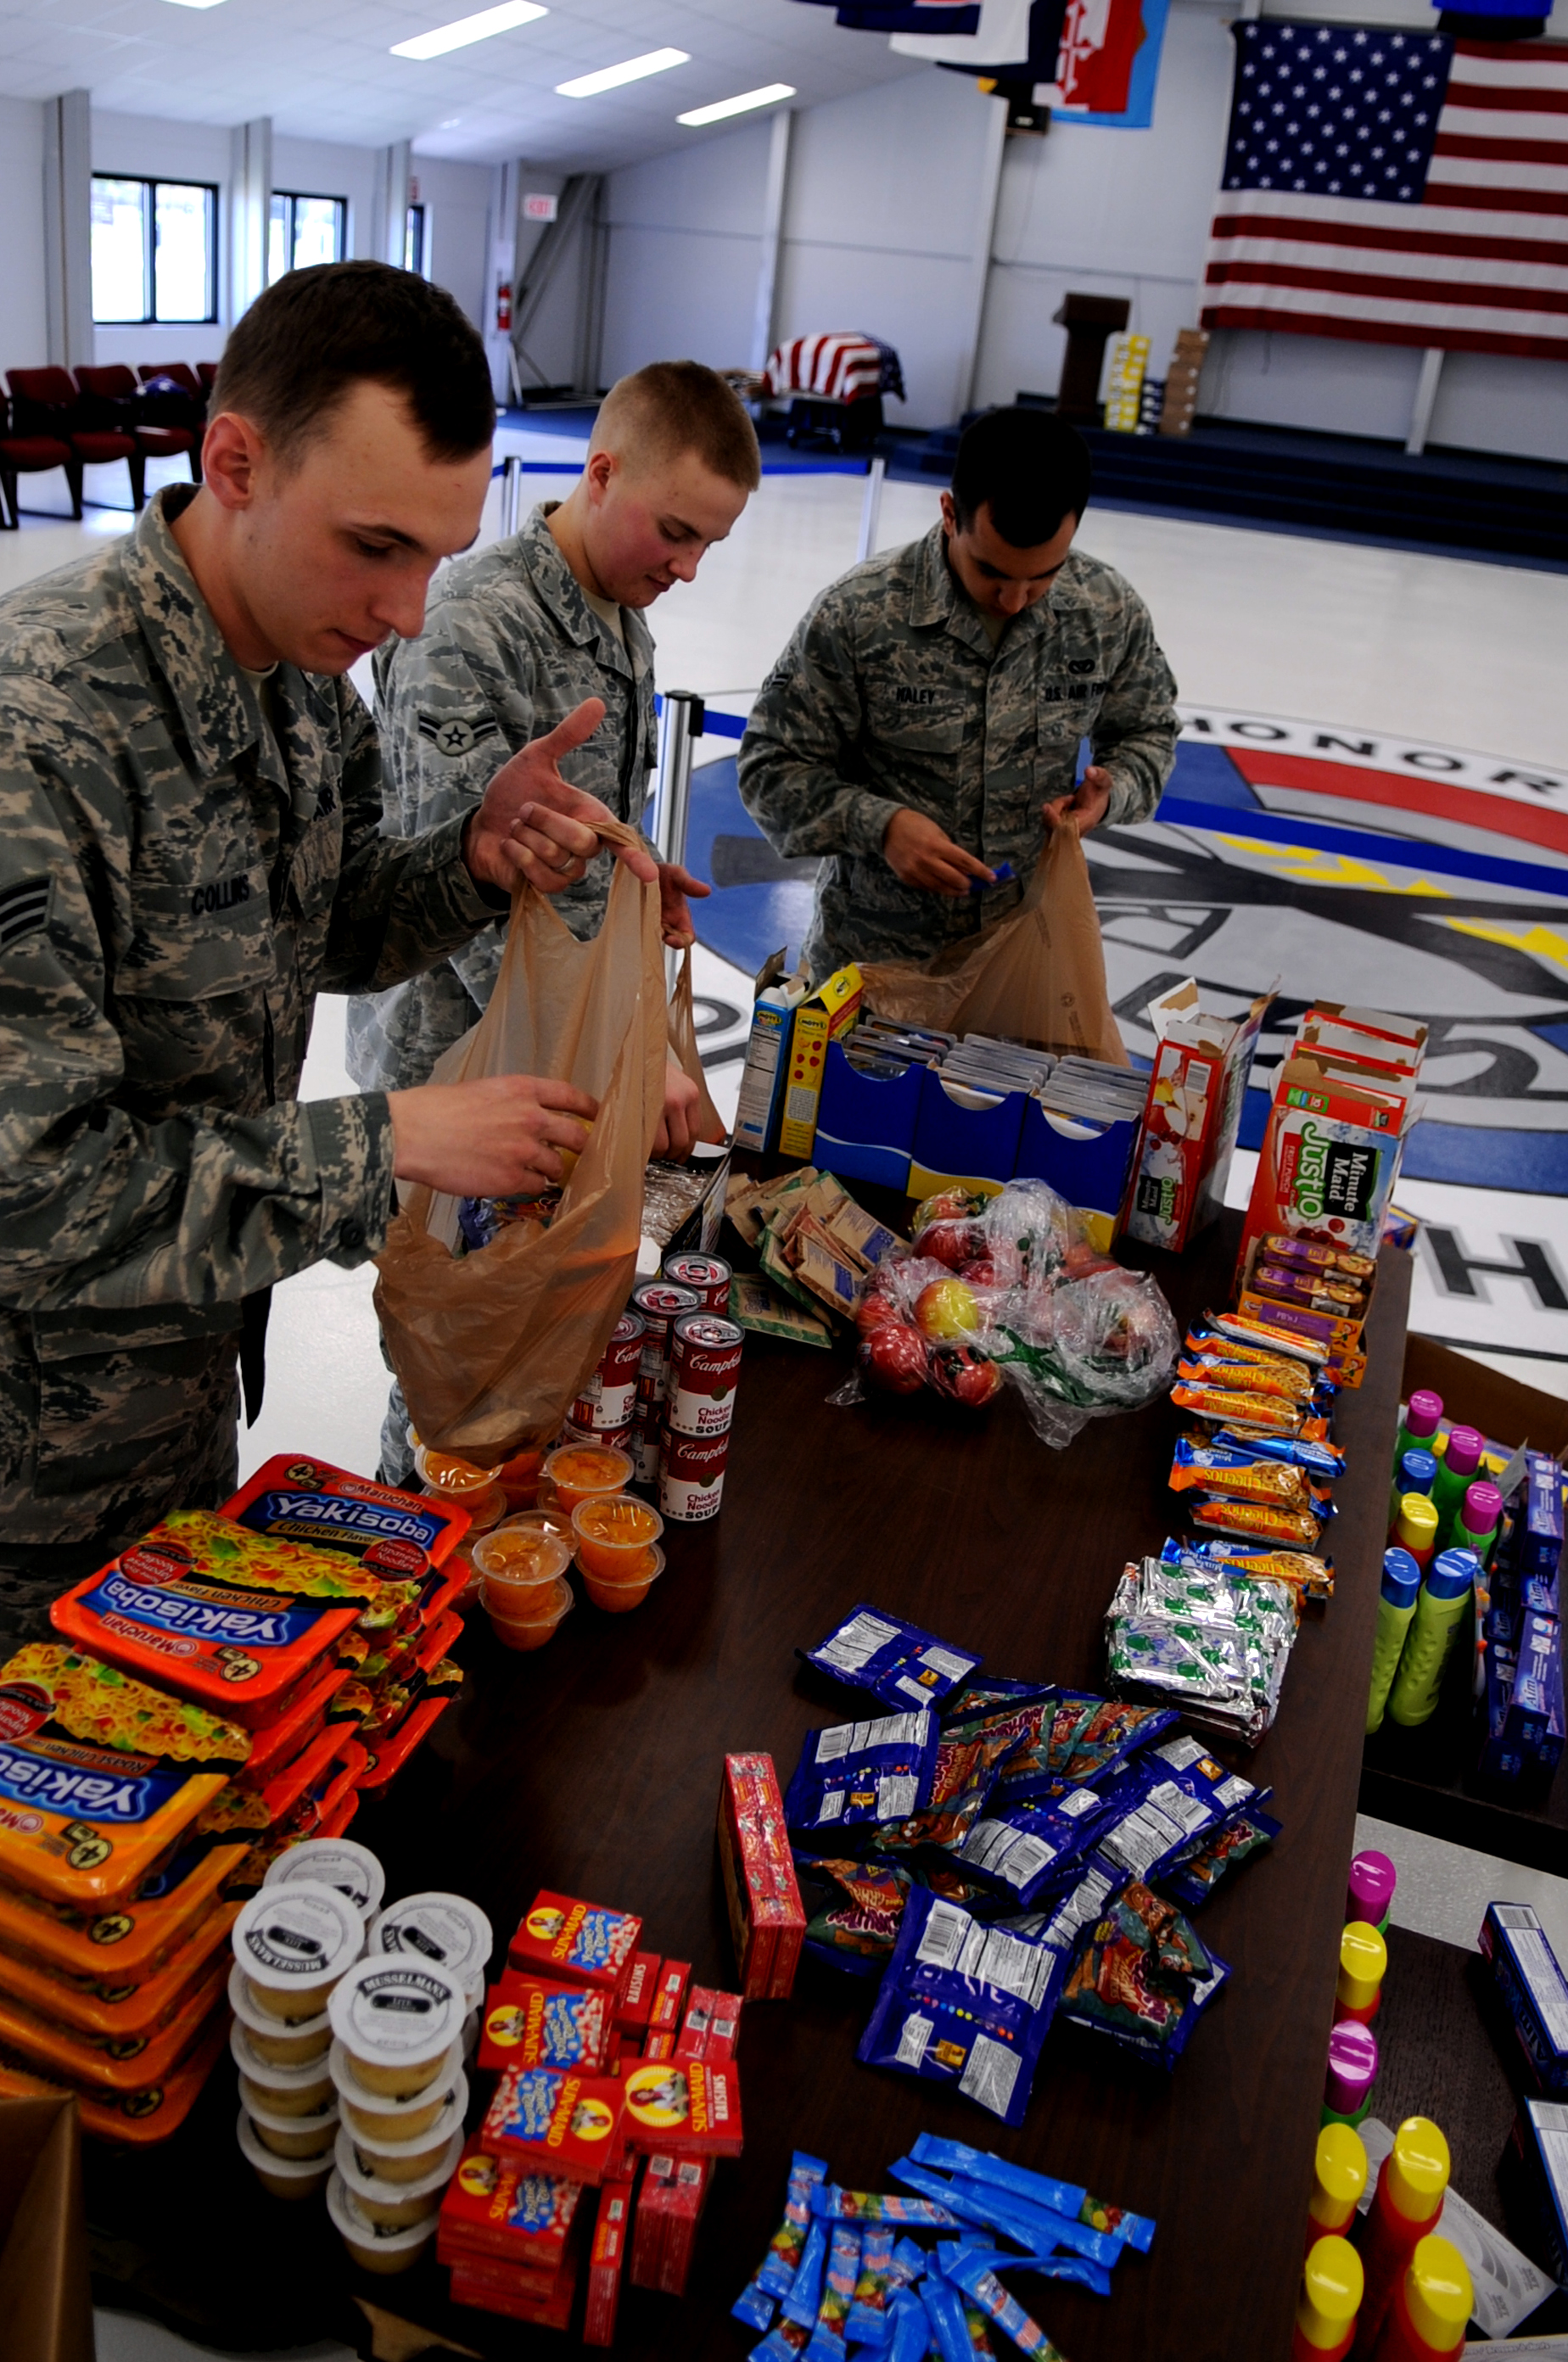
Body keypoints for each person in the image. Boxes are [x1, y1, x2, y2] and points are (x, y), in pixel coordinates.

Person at [0, 260, 681, 1649]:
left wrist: (470, 861)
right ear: (234, 460)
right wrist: (384, 1140)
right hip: (28, 1478)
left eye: (434, 553)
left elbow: (330, 923)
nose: (412, 610)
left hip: (174, 1416)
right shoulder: (41, 734)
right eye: (375, 545)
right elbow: (34, 1195)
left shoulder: (303, 694)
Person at [347, 359, 759, 1482]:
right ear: (601, 469)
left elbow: (565, 835)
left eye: (709, 545)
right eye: (676, 531)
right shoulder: (475, 626)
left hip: (555, 1049)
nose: (687, 566)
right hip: (460, 1058)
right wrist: (628, 1056)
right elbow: (476, 901)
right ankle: (408, 1556)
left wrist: (635, 874)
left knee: (541, 1325)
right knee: (460, 1350)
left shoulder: (617, 615)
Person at [737, 406, 1179, 982]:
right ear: (950, 514)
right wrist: (882, 827)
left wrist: (1111, 791)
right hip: (873, 971)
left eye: (1043, 576)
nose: (1016, 599)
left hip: (1023, 968)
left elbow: (1148, 732)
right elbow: (769, 768)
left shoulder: (1105, 610)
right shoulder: (861, 614)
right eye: (992, 572)